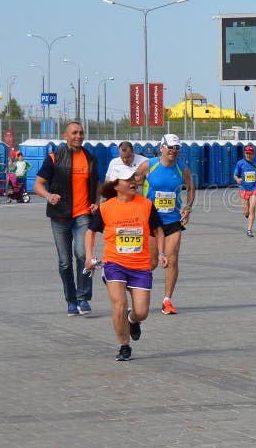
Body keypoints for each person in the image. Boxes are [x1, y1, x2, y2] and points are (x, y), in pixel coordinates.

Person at [85, 165, 168, 361]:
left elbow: (158, 230)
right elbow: (90, 231)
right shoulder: (106, 208)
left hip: (140, 266)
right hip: (114, 263)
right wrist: (89, 256)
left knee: (141, 312)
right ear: (116, 185)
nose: (133, 182)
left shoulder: (146, 205)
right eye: (127, 179)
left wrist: (162, 252)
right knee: (119, 305)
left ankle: (132, 320)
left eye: (134, 178)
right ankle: (124, 345)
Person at [33, 121, 100, 316]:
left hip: (83, 216)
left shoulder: (91, 159)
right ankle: (71, 301)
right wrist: (48, 196)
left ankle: (83, 298)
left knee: (82, 255)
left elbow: (97, 185)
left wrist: (96, 202)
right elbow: (38, 184)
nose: (78, 136)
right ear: (66, 135)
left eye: (81, 133)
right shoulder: (54, 158)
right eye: (74, 133)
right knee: (65, 262)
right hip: (60, 216)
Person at [137, 133, 195, 315]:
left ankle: (167, 300)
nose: (173, 151)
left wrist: (187, 207)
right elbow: (132, 184)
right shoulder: (149, 165)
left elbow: (191, 187)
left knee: (172, 258)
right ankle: (136, 294)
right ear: (161, 147)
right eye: (170, 147)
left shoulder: (181, 168)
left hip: (172, 221)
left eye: (177, 148)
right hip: (152, 222)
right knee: (152, 262)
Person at [233, 144, 256, 237]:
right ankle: (247, 214)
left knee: (252, 209)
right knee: (246, 211)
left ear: (253, 153)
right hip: (243, 188)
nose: (248, 155)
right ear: (244, 153)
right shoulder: (240, 163)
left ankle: (249, 230)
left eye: (250, 153)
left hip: (254, 189)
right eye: (247, 153)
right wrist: (237, 179)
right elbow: (235, 175)